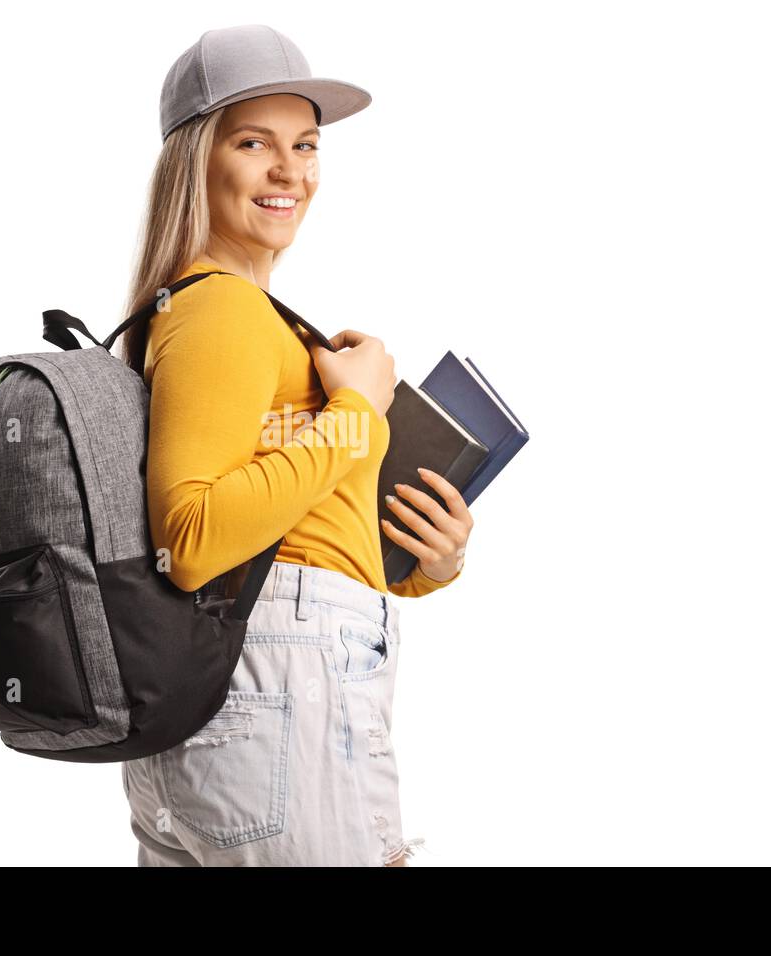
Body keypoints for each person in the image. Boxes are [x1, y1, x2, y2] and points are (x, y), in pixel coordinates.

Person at [119, 25, 474, 866]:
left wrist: (427, 563)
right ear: (196, 162)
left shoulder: (243, 317)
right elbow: (193, 540)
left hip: (256, 695)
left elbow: (290, 537)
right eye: (255, 143)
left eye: (306, 145)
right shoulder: (220, 311)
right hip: (282, 694)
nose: (292, 171)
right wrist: (359, 415)